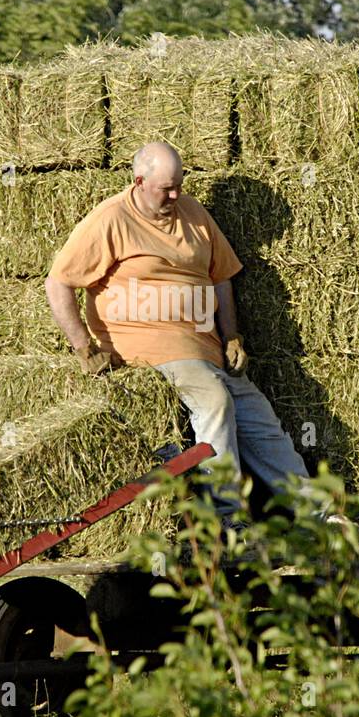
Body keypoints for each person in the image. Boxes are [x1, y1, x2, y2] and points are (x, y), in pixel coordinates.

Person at [44, 140, 311, 524]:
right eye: (165, 188)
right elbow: (58, 283)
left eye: (179, 186)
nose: (174, 195)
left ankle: (320, 513)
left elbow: (221, 277)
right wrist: (84, 347)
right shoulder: (111, 219)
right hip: (151, 347)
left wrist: (232, 336)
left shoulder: (194, 214)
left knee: (261, 420)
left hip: (206, 346)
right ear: (138, 181)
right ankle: (228, 520)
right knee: (215, 402)